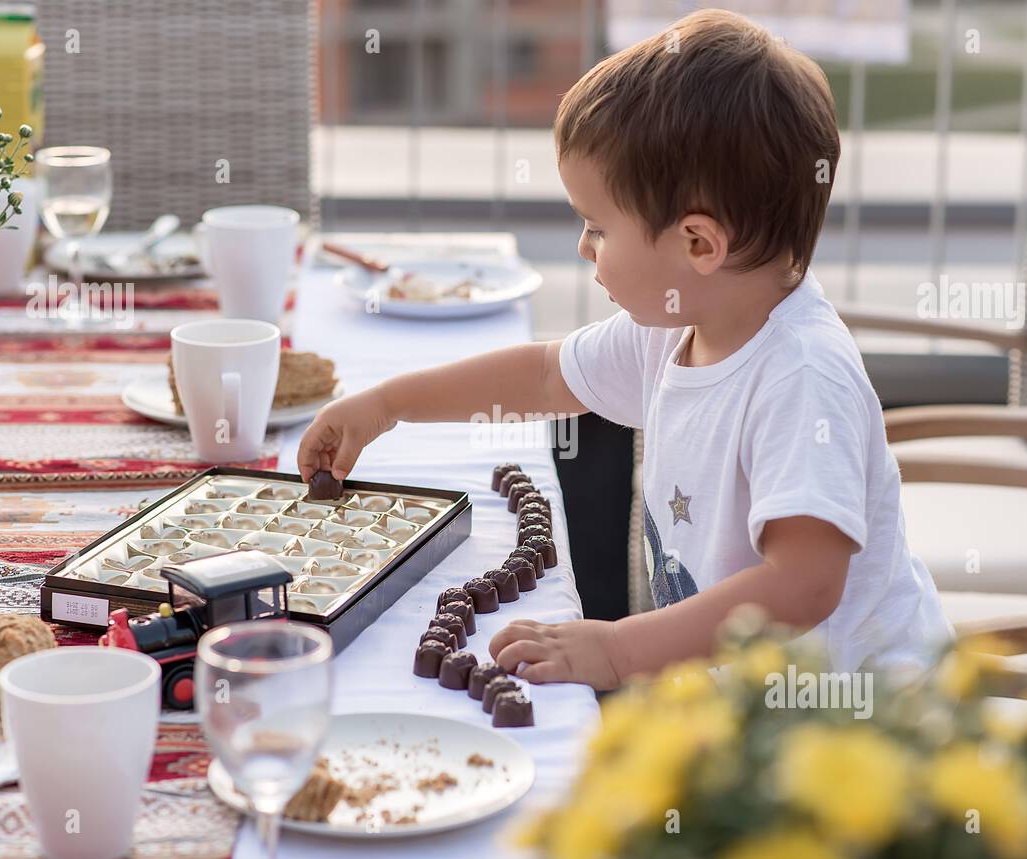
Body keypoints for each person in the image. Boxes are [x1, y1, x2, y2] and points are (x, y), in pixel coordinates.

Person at [298, 8, 950, 689]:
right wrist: (387, 404)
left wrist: (617, 650)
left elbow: (805, 583)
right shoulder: (679, 323)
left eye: (597, 227)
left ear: (699, 243)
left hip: (861, 742)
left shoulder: (802, 377)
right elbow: (548, 376)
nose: (585, 248)